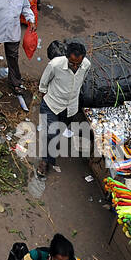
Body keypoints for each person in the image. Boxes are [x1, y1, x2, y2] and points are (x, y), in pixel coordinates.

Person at [37, 42, 91, 176]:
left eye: (78, 64)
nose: (75, 66)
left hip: (70, 107)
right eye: (72, 63)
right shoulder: (55, 65)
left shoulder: (86, 65)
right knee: (52, 133)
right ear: (67, 57)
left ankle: (51, 147)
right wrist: (45, 97)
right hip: (52, 104)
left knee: (59, 130)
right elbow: (43, 83)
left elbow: (81, 80)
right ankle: (45, 161)